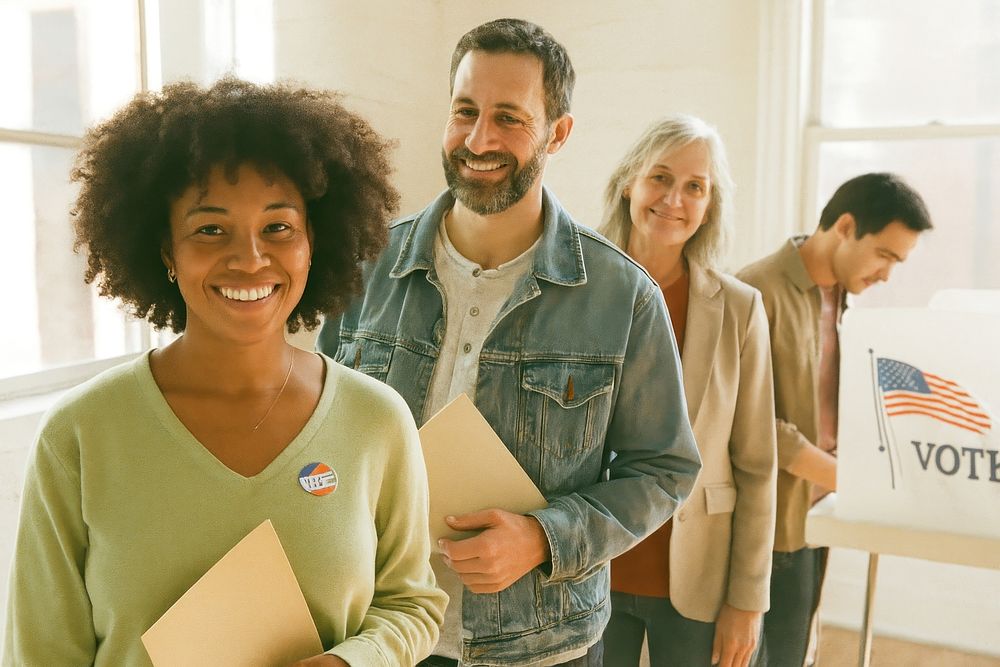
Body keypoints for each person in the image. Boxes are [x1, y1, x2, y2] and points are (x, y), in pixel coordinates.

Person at [4, 77, 447, 666]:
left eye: (278, 227)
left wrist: (354, 661)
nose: (249, 258)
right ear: (166, 250)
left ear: (313, 241)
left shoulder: (375, 420)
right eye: (210, 229)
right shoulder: (81, 433)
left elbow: (411, 604)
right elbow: (42, 651)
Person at [317, 18, 702, 667]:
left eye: (508, 118)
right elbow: (322, 433)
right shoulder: (365, 266)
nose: (478, 139)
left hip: (542, 647)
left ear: (559, 131)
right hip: (379, 634)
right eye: (465, 111)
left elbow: (664, 470)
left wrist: (541, 537)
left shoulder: (623, 296)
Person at [597, 115, 777, 667]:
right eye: (661, 178)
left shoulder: (740, 309)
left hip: (697, 575)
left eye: (695, 187)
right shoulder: (573, 285)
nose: (674, 199)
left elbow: (756, 464)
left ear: (709, 204)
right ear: (630, 181)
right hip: (586, 567)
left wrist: (747, 601)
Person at [737, 172, 933, 665]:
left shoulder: (843, 299)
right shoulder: (754, 291)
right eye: (885, 255)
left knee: (799, 651)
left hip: (820, 516)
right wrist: (848, 479)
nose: (887, 274)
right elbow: (747, 424)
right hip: (771, 527)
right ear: (845, 226)